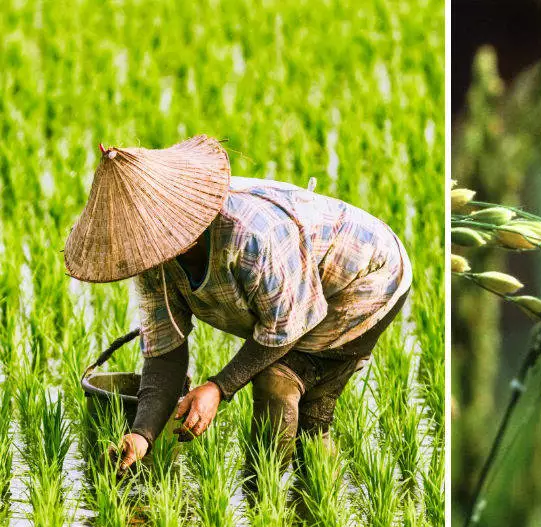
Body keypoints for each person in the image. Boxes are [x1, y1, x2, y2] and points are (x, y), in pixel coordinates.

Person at [64, 135, 411, 470]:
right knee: (305, 416)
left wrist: (218, 387)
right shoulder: (153, 262)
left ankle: (267, 499)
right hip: (303, 291)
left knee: (279, 381)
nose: (148, 248)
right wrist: (142, 435)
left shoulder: (251, 237)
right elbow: (165, 353)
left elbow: (283, 327)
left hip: (368, 276)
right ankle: (294, 504)